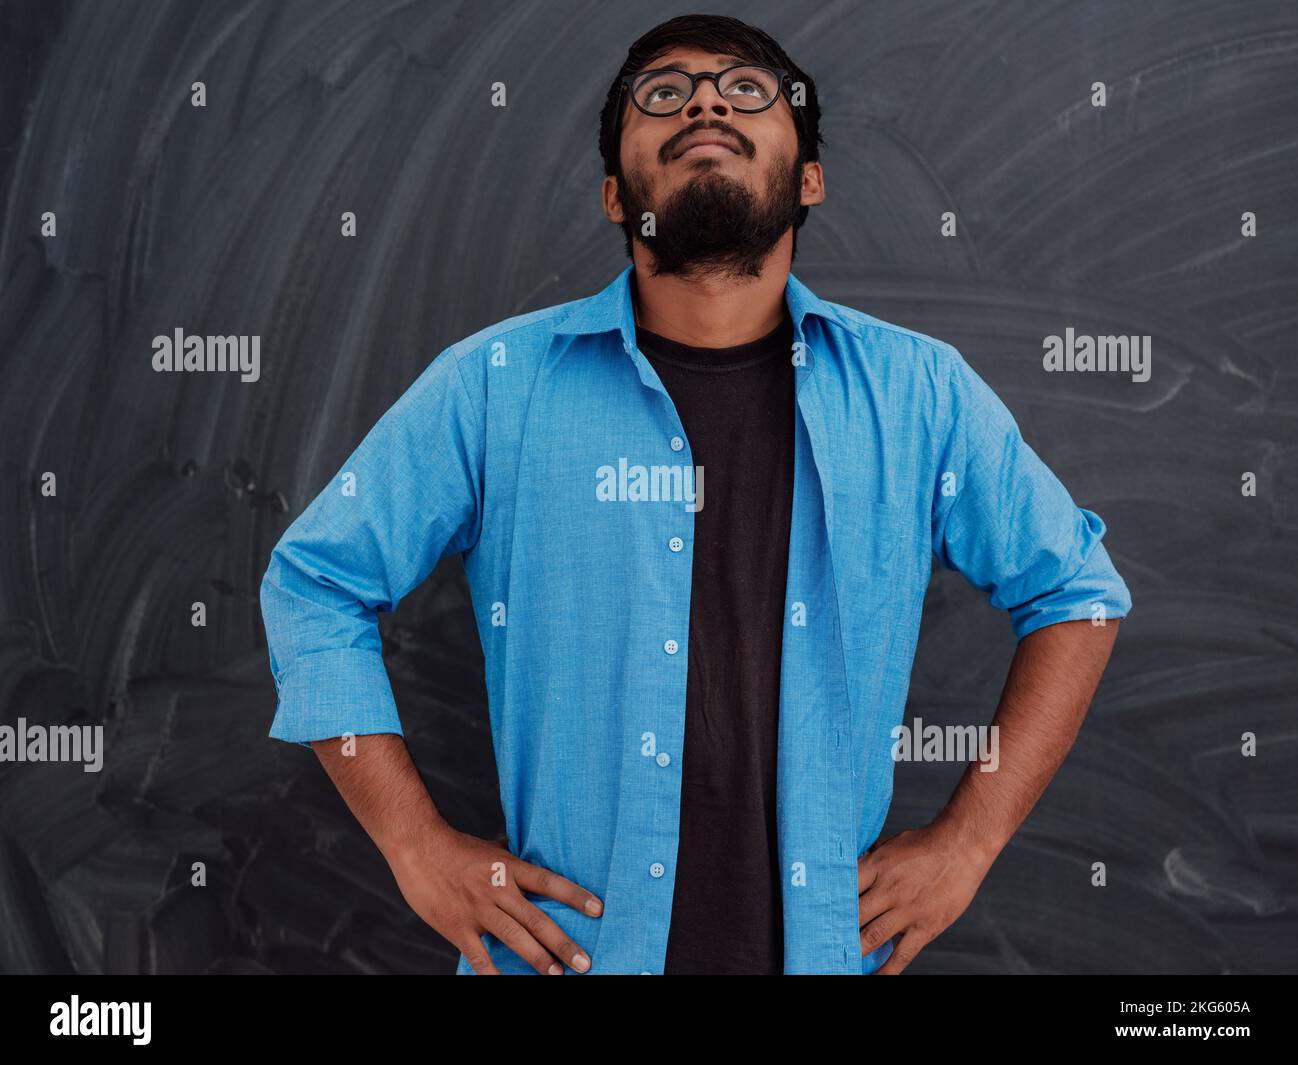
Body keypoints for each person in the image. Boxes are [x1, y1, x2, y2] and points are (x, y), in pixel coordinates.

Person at [259, 14, 1132, 976]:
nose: (706, 100)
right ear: (612, 193)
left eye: (748, 89)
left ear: (809, 181)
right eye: (662, 94)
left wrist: (969, 841)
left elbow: (1076, 595)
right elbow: (313, 584)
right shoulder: (494, 386)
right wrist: (414, 846)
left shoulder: (918, 394)